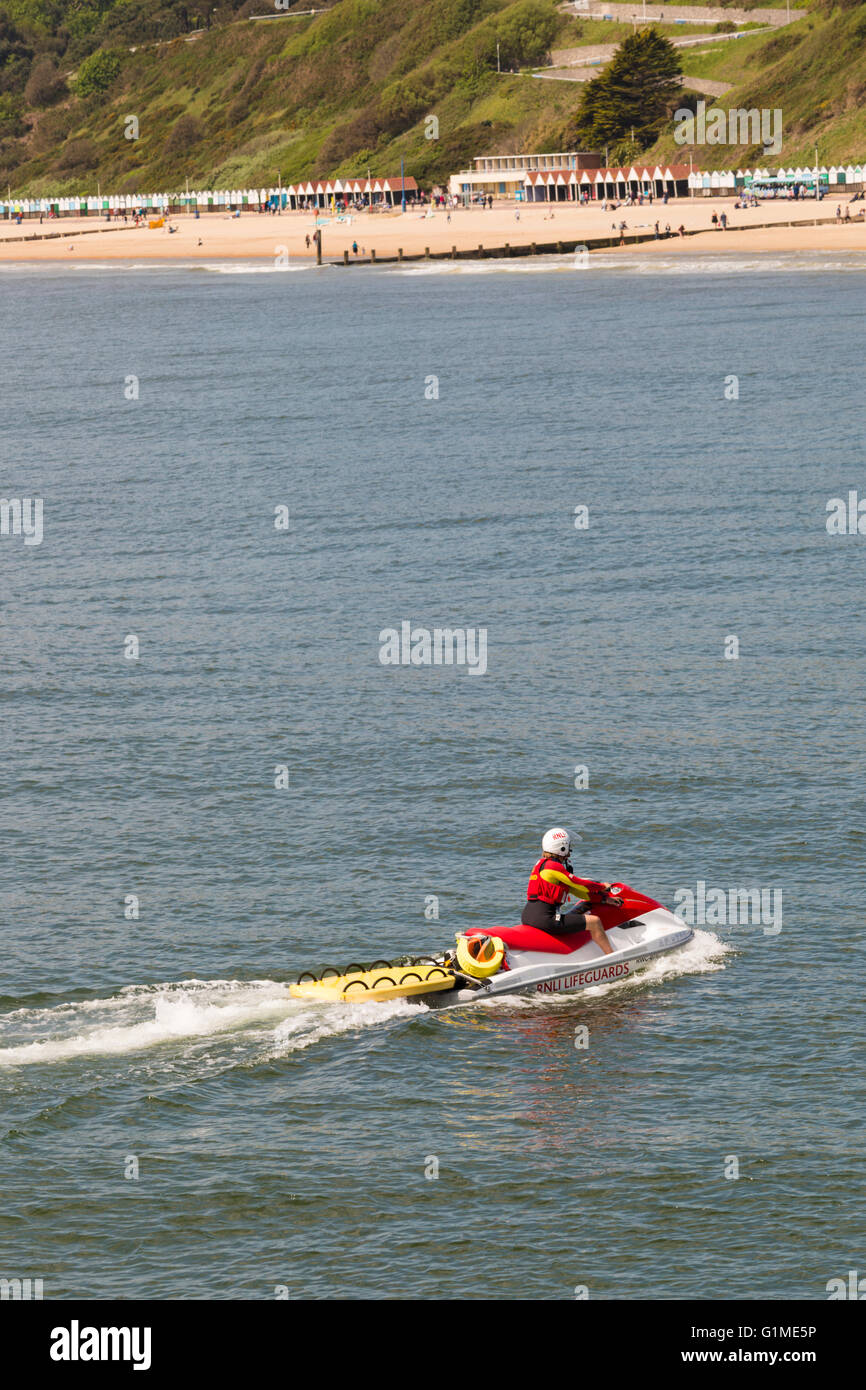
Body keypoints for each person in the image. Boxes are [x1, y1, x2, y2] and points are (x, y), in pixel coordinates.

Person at [522, 827, 614, 955]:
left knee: (579, 914)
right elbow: (578, 883)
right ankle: (612, 957)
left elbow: (575, 891)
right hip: (545, 918)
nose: (569, 853)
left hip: (528, 915)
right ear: (562, 848)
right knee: (595, 922)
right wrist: (602, 886)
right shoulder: (553, 866)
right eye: (568, 848)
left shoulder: (542, 865)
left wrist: (604, 899)